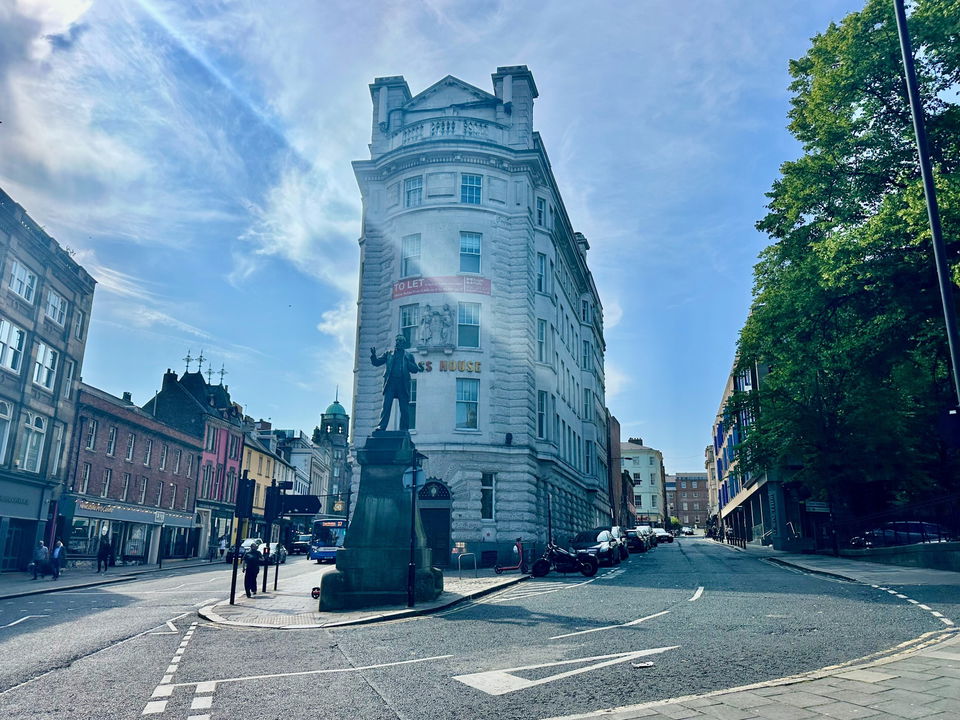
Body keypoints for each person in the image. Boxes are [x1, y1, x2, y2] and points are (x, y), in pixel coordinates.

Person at [370, 334, 420, 431]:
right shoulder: (389, 354)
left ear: (404, 344)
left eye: (401, 341)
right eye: (397, 341)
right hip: (390, 383)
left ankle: (404, 429)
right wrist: (373, 356)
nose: (398, 343)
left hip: (402, 384)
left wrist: (407, 362)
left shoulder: (409, 356)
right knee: (386, 406)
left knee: (404, 408)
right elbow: (377, 362)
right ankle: (382, 426)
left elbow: (415, 369)